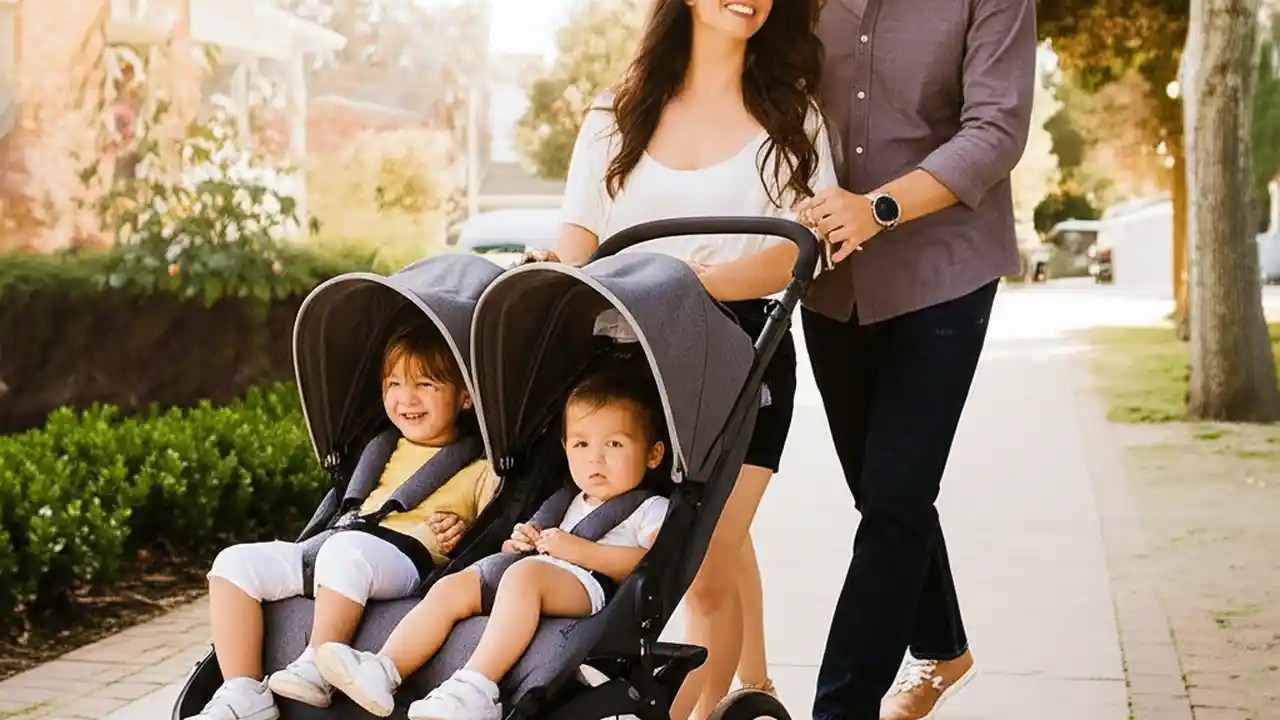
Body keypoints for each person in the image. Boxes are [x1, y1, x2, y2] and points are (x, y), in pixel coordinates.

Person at [526, 2, 836, 716]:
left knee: (703, 560)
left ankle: (700, 710)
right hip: (626, 359)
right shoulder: (619, 111)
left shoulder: (795, 117)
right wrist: (553, 268)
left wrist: (697, 284)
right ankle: (755, 680)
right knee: (699, 536)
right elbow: (581, 227)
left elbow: (802, 251)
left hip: (741, 353)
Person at [790, 0, 1038, 718]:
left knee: (897, 500)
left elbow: (996, 129)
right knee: (881, 493)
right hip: (832, 281)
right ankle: (942, 645)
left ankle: (841, 708)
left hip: (945, 272)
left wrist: (880, 209)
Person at [308, 368, 671, 720]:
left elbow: (656, 563)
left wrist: (580, 552)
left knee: (526, 577)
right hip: (542, 573)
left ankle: (477, 688)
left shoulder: (650, 507)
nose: (595, 457)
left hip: (593, 587)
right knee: (455, 585)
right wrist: (524, 542)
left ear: (653, 455)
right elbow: (538, 554)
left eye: (614, 444)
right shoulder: (571, 501)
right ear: (565, 448)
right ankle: (385, 669)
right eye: (581, 444)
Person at [185, 322, 498, 720]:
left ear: (465, 397)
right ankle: (244, 692)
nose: (407, 398)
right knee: (233, 564)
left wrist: (466, 532)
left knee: (347, 551)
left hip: (403, 559)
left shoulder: (479, 468)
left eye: (425, 385)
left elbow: (496, 527)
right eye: (394, 384)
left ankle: (318, 663)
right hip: (341, 543)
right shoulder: (379, 450)